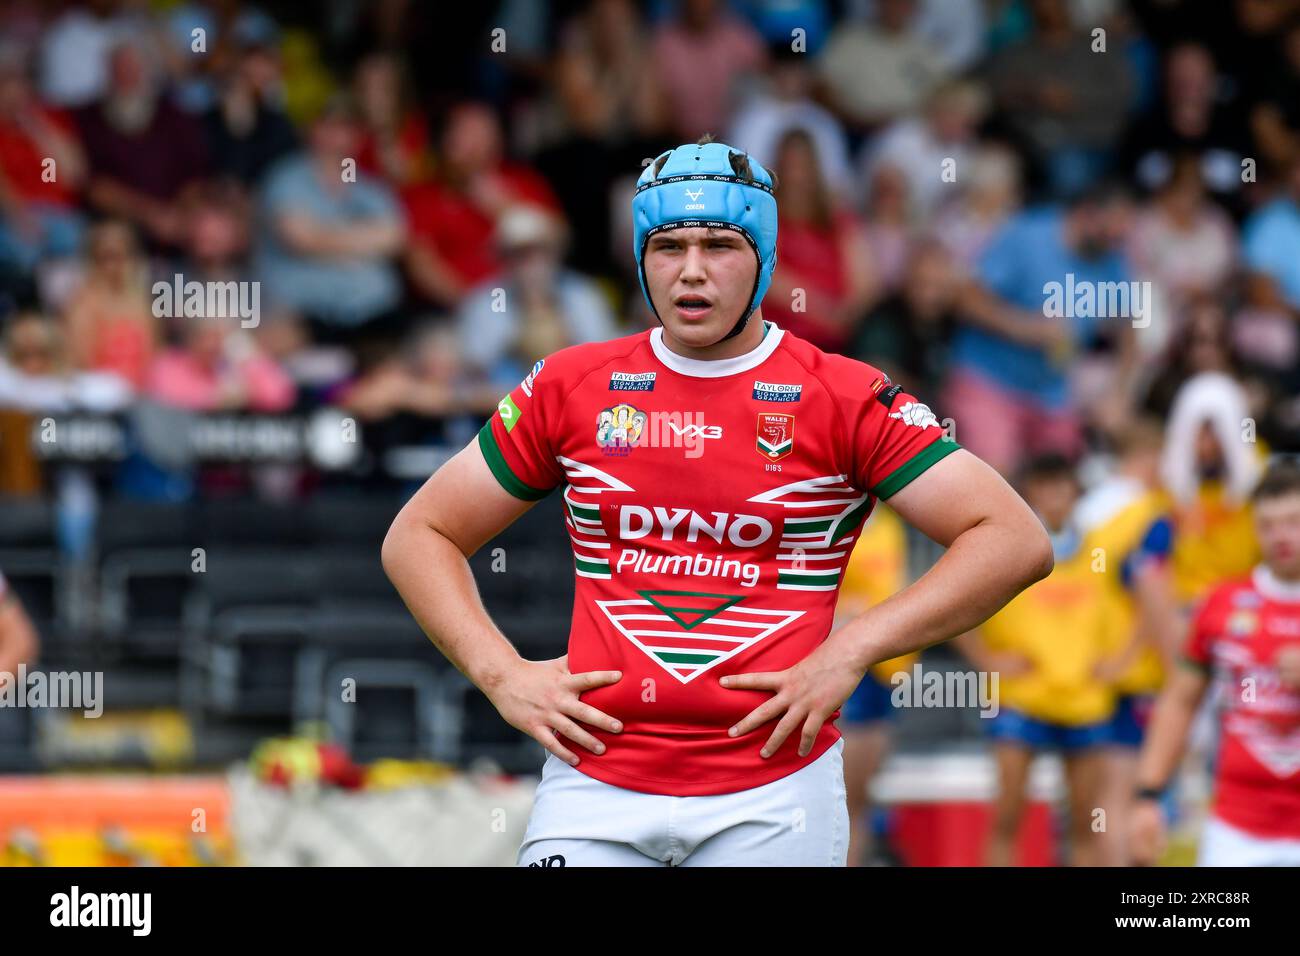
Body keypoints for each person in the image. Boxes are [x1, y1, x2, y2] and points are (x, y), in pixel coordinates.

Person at [383, 137, 1054, 867]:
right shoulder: (571, 385)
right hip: (592, 785)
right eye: (668, 246)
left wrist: (855, 647)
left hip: (775, 793)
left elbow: (1014, 538)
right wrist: (500, 672)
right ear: (640, 257)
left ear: (765, 257)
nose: (692, 271)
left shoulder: (841, 393)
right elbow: (421, 533)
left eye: (719, 245)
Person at [955, 454, 1125, 866]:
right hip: (1022, 698)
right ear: (1028, 493)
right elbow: (955, 601)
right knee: (1007, 819)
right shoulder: (1007, 547)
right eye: (1045, 487)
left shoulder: (1101, 548)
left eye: (1063, 487)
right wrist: (986, 659)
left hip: (1084, 699)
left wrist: (1122, 661)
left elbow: (1148, 603)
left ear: (1076, 493)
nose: (1054, 498)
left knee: (1086, 824)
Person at [1131, 459, 1300, 866]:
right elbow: (1180, 701)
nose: (1281, 536)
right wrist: (1147, 796)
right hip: (1236, 828)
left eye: (1293, 521)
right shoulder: (1222, 604)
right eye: (1268, 524)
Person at [1074, 418, 1180, 866]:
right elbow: (1148, 594)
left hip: (1084, 667)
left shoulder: (1087, 511)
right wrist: (1143, 659)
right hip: (1131, 675)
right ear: (1150, 458)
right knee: (1130, 795)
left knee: (1097, 802)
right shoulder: (1147, 516)